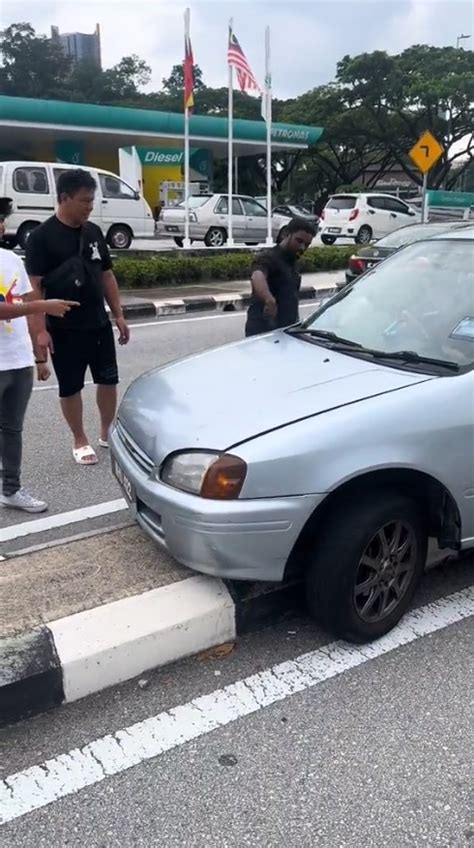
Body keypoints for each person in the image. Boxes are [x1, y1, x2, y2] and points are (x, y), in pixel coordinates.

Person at [25, 169, 130, 466]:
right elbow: (34, 289)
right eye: (85, 200)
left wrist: (118, 315)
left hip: (98, 323)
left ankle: (106, 432)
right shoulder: (40, 238)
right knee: (70, 385)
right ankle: (79, 439)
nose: (90, 206)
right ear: (64, 198)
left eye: (92, 200)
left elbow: (107, 275)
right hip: (64, 328)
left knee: (108, 380)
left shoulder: (94, 232)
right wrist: (40, 334)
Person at [0, 198, 79, 513]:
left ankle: (11, 489)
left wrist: (39, 356)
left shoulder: (11, 259)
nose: (2, 225)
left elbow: (28, 308)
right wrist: (44, 306)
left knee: (12, 429)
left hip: (18, 362)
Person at [245, 217, 316, 337]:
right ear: (286, 235)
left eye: (307, 244)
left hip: (286, 330)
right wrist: (269, 300)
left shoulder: (293, 261)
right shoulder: (268, 257)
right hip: (263, 330)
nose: (302, 248)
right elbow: (257, 275)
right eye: (299, 241)